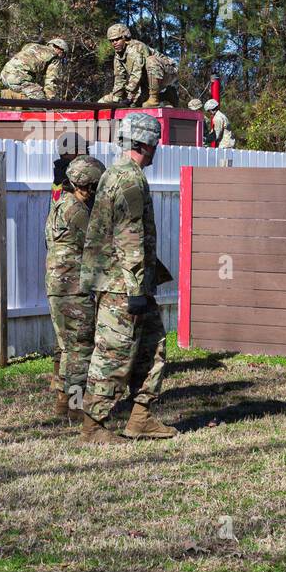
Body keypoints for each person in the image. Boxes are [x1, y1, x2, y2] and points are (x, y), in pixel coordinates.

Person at [78, 112, 176, 443]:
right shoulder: (129, 180)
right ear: (143, 143)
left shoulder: (117, 174)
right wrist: (135, 288)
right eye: (155, 143)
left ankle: (141, 417)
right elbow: (129, 235)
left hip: (132, 283)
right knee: (113, 353)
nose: (156, 149)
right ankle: (94, 426)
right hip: (123, 286)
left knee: (153, 346)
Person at [45, 155, 105, 421]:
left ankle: (63, 402)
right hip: (73, 286)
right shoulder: (77, 211)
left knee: (67, 346)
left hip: (58, 283)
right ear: (88, 186)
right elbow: (98, 244)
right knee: (80, 347)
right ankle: (75, 406)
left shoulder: (59, 204)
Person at [98, 24, 178, 107]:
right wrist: (116, 97)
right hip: (148, 79)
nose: (114, 43)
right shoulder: (118, 56)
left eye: (117, 39)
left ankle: (154, 99)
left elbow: (136, 75)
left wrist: (129, 98)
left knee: (151, 61)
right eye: (111, 41)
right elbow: (119, 78)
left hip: (168, 72)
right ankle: (167, 95)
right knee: (135, 104)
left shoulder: (135, 48)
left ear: (125, 38)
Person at [0, 38, 68, 100]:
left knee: (28, 94)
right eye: (63, 55)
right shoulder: (54, 57)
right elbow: (51, 81)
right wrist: (50, 101)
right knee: (40, 101)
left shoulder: (31, 46)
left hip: (4, 75)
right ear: (60, 50)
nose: (61, 57)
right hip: (18, 78)